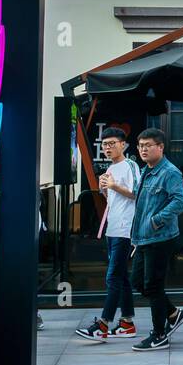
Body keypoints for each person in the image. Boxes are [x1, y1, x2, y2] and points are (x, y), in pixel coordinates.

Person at [77, 130, 142, 341]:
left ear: (123, 145)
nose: (107, 147)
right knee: (121, 277)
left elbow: (136, 193)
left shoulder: (131, 165)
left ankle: (103, 324)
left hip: (125, 229)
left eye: (112, 143)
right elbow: (112, 199)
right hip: (112, 228)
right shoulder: (112, 168)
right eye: (104, 144)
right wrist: (104, 189)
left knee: (113, 277)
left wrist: (113, 185)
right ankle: (126, 324)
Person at [129, 129, 183, 352]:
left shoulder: (169, 172)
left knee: (153, 286)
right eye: (140, 145)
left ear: (161, 147)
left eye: (148, 145)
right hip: (143, 237)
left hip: (160, 236)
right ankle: (173, 314)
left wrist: (156, 221)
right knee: (137, 282)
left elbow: (179, 202)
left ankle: (159, 334)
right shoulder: (147, 170)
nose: (143, 149)